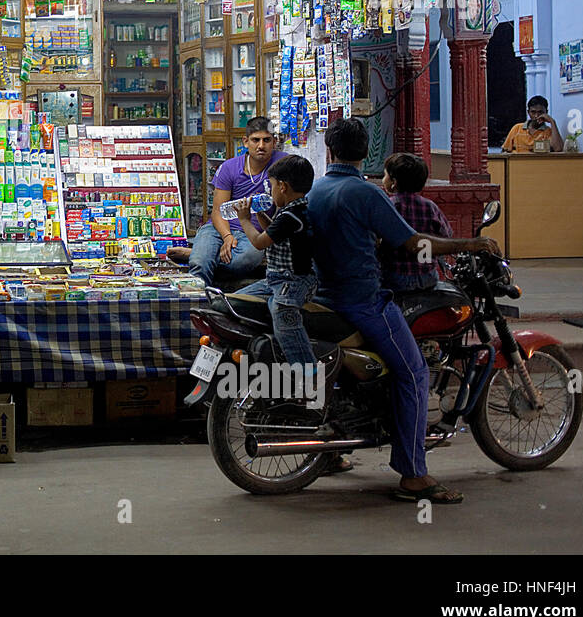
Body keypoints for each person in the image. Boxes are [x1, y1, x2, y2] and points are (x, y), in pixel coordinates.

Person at [308, 119, 499, 504]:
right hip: (363, 301)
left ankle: (332, 452)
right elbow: (413, 243)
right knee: (414, 374)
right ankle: (414, 475)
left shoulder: (317, 189)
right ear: (367, 154)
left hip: (324, 297)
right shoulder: (365, 193)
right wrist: (471, 243)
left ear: (329, 150)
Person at [168, 116, 282, 286]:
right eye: (255, 140)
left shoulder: (282, 164)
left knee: (240, 262)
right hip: (218, 227)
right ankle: (197, 306)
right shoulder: (229, 167)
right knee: (200, 264)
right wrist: (227, 236)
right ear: (245, 141)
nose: (261, 146)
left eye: (267, 140)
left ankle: (195, 255)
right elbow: (217, 211)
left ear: (274, 142)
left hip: (252, 232)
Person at [233, 155, 320, 373]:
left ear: (282, 186)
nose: (270, 192)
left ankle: (307, 371)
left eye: (271, 186)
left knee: (282, 311)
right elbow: (274, 231)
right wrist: (260, 214)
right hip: (276, 279)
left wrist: (244, 219)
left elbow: (260, 242)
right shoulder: (292, 210)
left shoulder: (293, 215)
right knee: (234, 302)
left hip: (294, 281)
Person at [379, 152, 453, 292]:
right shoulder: (430, 206)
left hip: (395, 277)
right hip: (427, 276)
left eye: (385, 176)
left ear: (394, 182)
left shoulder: (388, 206)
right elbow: (446, 235)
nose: (383, 180)